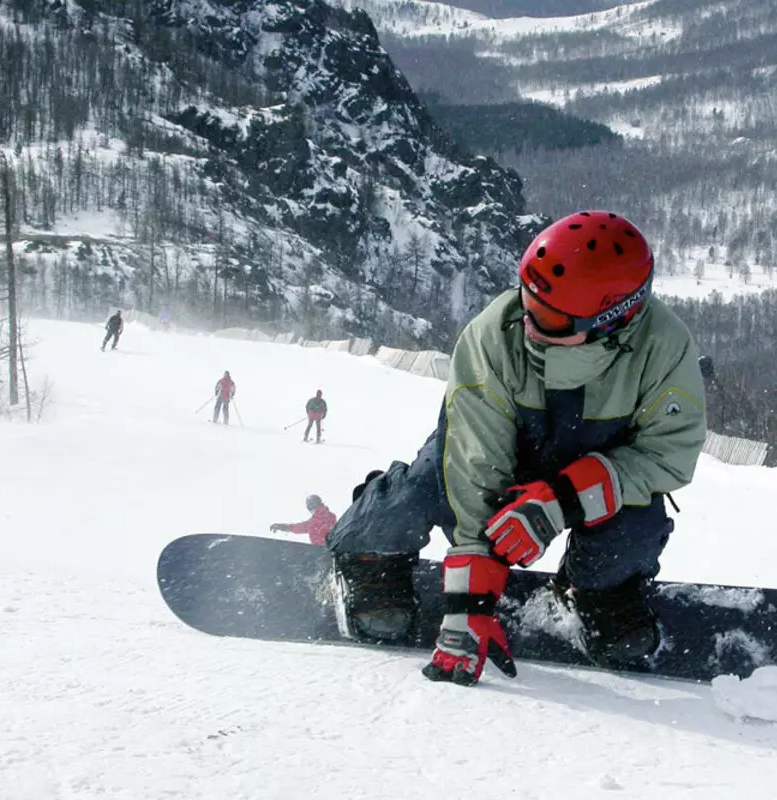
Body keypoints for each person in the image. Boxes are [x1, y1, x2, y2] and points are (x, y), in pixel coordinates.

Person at [324, 210, 707, 687]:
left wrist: (563, 499)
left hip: (595, 468)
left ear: (612, 319)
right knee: (427, 486)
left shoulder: (663, 347)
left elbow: (668, 453)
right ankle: (368, 552)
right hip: (487, 447)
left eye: (548, 318)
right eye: (528, 300)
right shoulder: (494, 333)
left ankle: (596, 589)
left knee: (635, 521)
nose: (528, 321)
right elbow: (473, 463)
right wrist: (472, 605)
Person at [270, 495, 339, 546]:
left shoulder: (317, 520)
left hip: (326, 550)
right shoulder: (314, 521)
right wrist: (282, 527)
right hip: (324, 551)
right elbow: (297, 527)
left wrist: (282, 527)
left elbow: (298, 528)